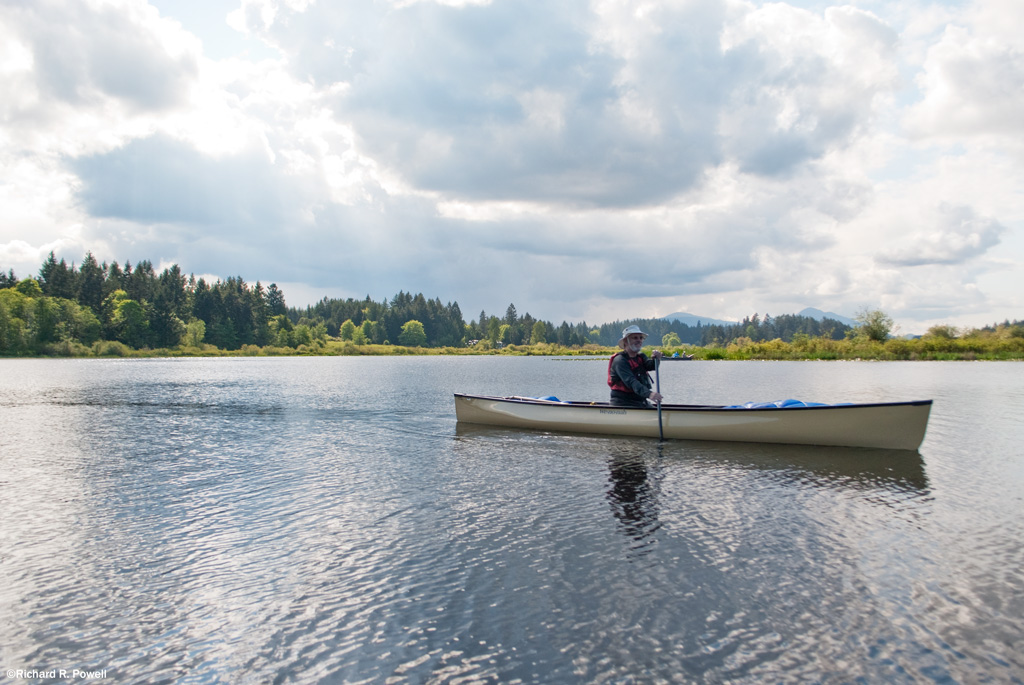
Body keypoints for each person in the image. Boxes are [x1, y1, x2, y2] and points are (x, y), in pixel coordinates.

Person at [608, 325, 663, 407]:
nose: (639, 340)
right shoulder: (620, 360)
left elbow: (651, 366)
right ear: (626, 341)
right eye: (635, 338)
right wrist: (649, 394)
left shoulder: (641, 357)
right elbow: (631, 381)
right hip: (623, 403)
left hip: (639, 401)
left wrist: (656, 359)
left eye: (641, 338)